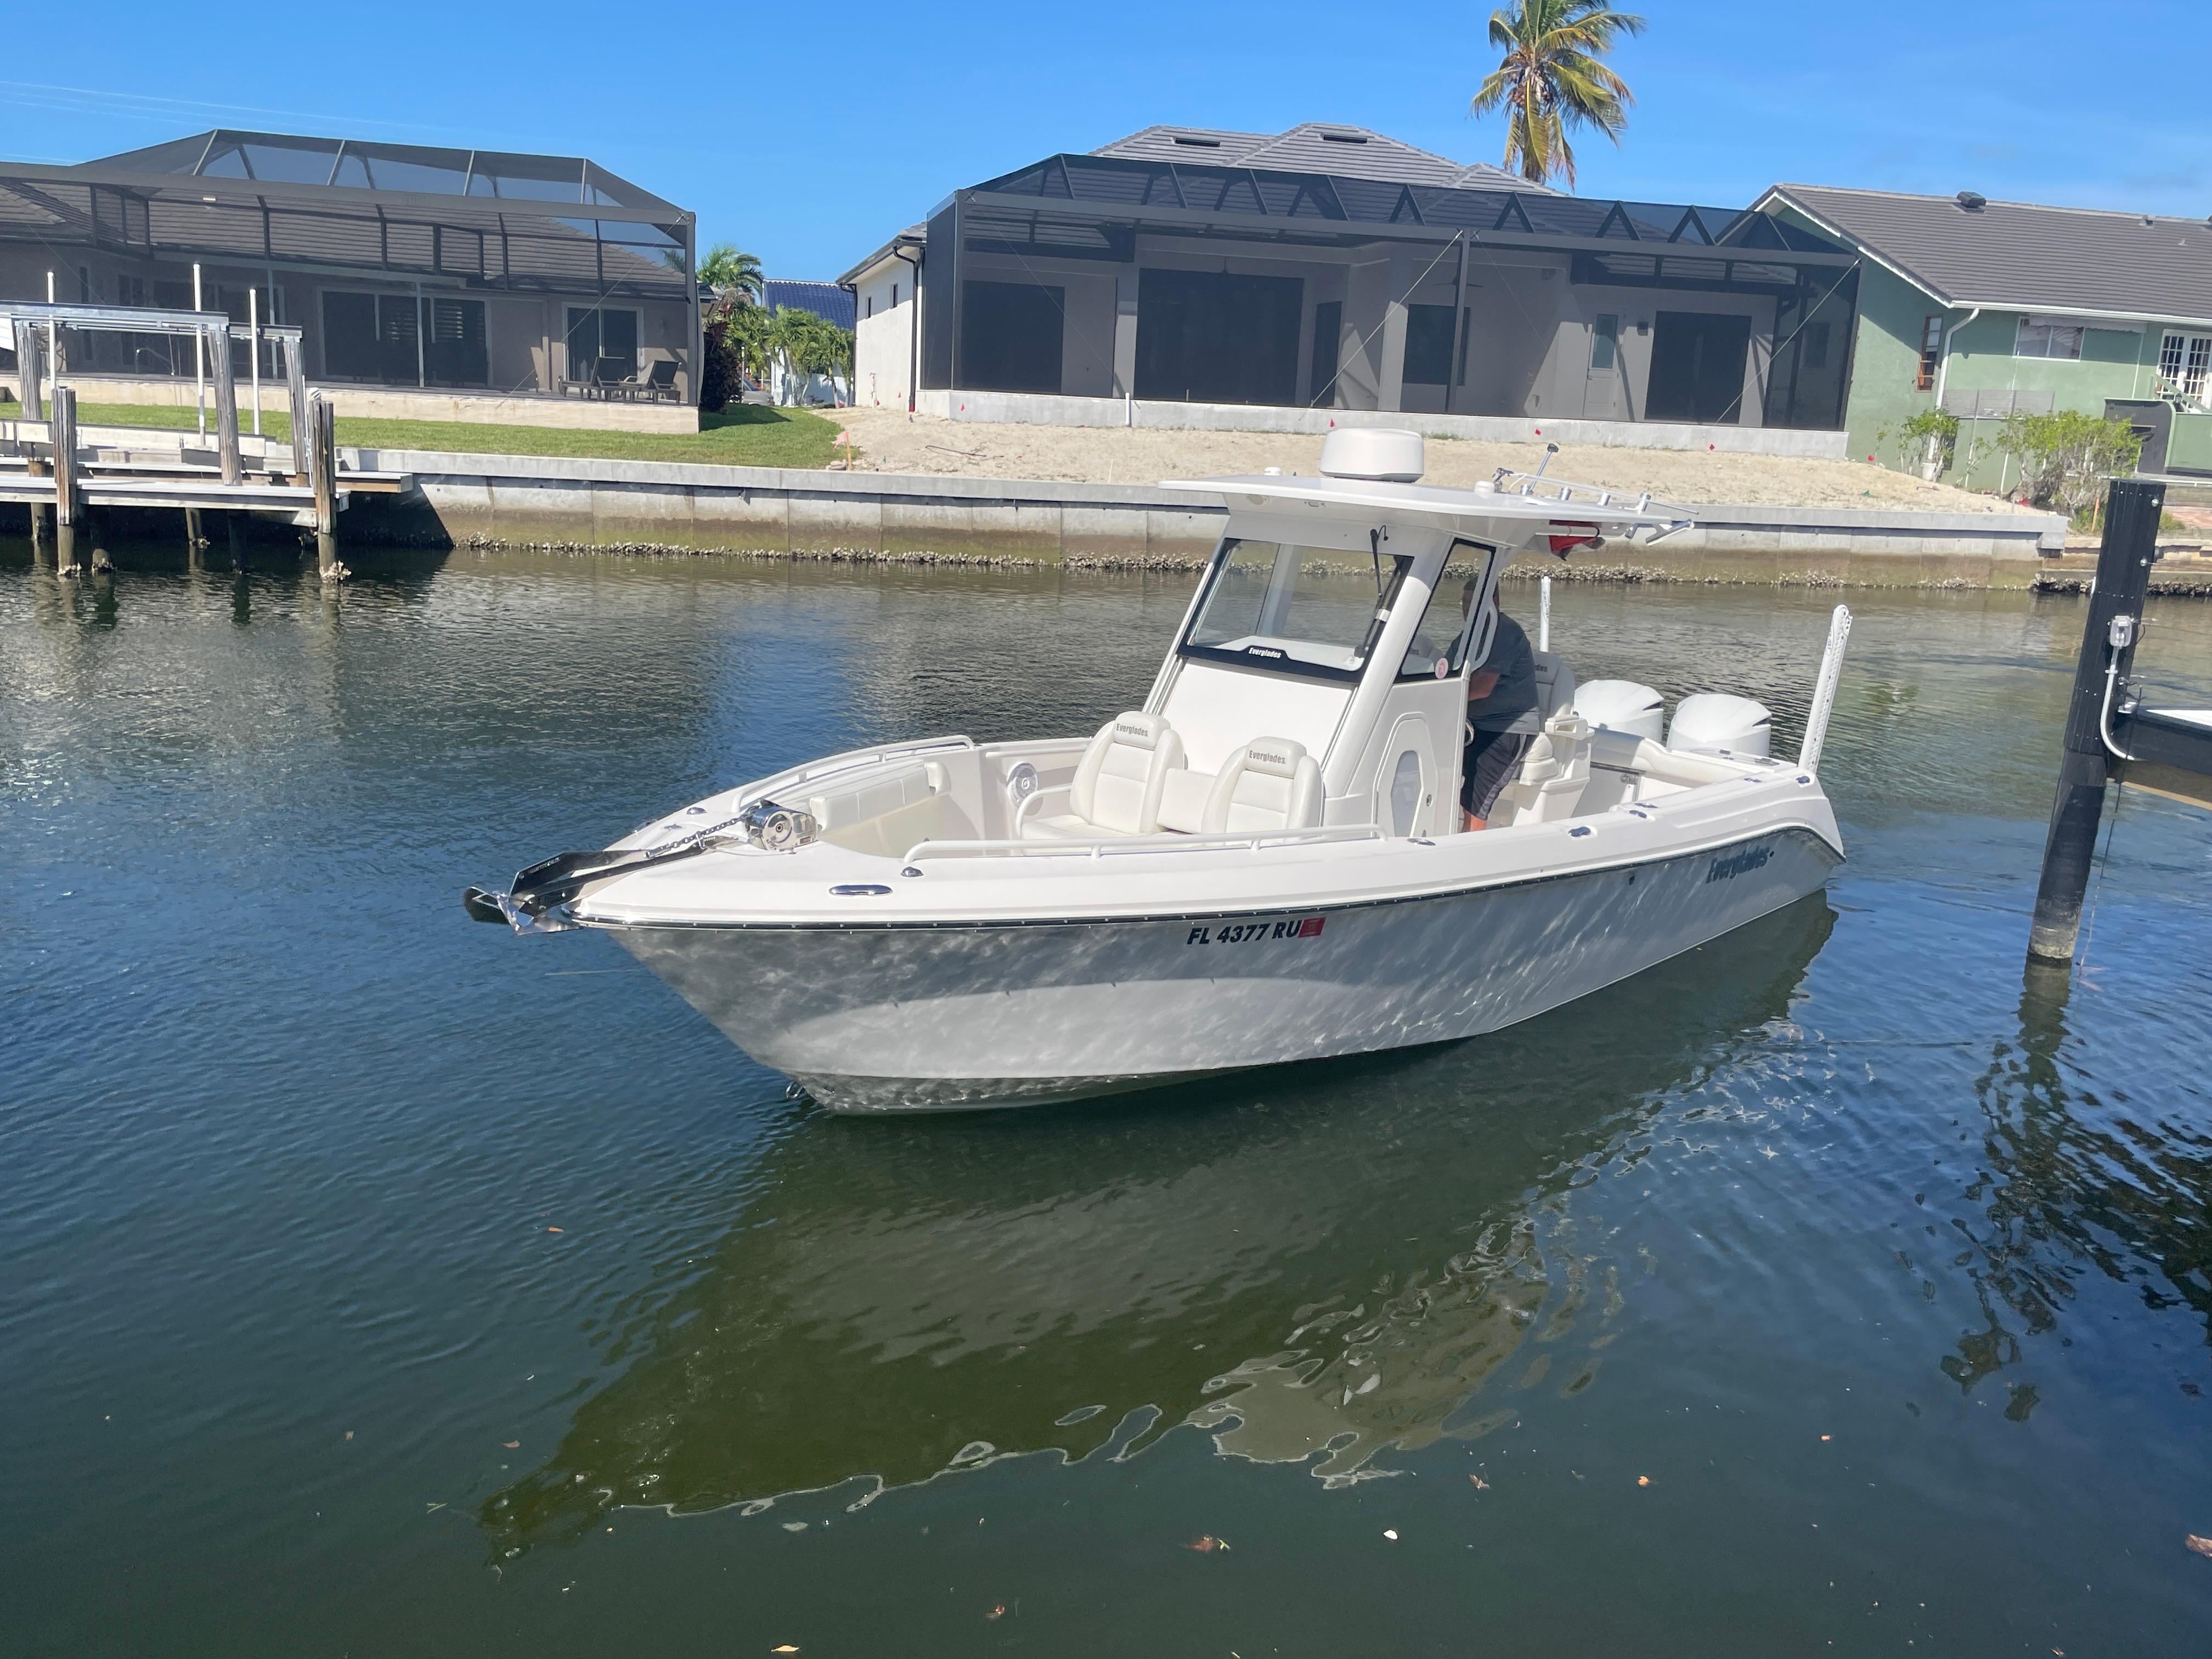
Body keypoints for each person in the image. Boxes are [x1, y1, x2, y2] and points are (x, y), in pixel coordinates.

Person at [1461, 603, 1542, 831]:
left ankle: (1466, 855)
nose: (1468, 609)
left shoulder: (1504, 632)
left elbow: (1483, 687)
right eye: (1465, 602)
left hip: (1506, 728)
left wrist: (1441, 696)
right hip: (1473, 725)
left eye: (1474, 601)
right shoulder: (1471, 635)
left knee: (1476, 799)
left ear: (1491, 601)